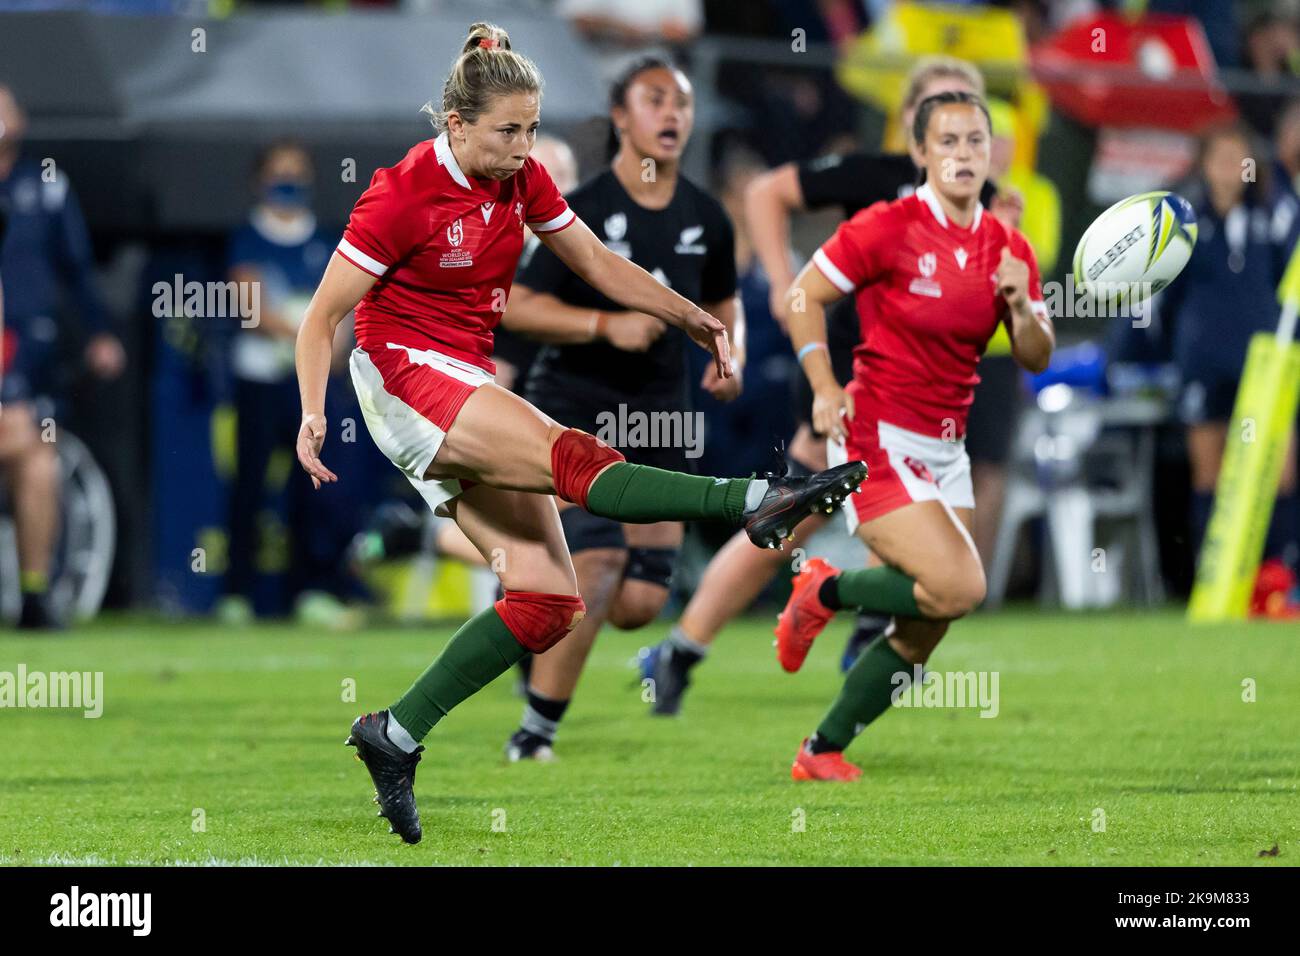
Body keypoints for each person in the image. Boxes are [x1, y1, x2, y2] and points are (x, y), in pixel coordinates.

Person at [295, 22, 865, 843]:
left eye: (531, 128)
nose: (524, 147)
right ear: (456, 125)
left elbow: (596, 262)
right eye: (508, 131)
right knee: (575, 458)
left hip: (458, 373)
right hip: (402, 376)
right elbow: (321, 318)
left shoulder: (518, 178)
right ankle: (755, 498)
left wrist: (688, 316)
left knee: (547, 601)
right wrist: (315, 413)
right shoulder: (401, 191)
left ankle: (396, 733)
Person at [643, 57, 990, 716]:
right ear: (915, 130)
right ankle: (692, 647)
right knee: (791, 522)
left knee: (815, 522)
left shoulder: (988, 204)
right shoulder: (880, 178)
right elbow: (765, 192)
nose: (961, 137)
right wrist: (781, 280)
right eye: (943, 117)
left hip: (933, 401)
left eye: (971, 119)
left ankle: (710, 646)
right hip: (850, 382)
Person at [777, 90, 1054, 782]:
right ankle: (827, 592)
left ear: (991, 153)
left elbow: (1036, 355)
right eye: (949, 142)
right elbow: (803, 295)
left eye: (975, 142)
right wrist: (822, 386)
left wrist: (1021, 303)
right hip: (878, 433)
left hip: (945, 447)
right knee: (959, 587)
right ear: (922, 153)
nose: (963, 155)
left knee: (927, 624)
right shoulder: (889, 226)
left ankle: (822, 748)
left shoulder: (1009, 247)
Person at [494, 56, 743, 761]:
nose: (673, 114)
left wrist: (733, 354)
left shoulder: (707, 215)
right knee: (595, 573)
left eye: (683, 103)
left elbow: (724, 303)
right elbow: (519, 302)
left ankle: (527, 621)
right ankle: (535, 731)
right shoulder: (586, 210)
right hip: (577, 410)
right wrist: (606, 326)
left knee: (637, 605)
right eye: (655, 100)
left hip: (663, 417)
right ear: (622, 118)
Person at [0, 84, 124, 629]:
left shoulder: (45, 185)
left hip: (25, 359)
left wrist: (100, 331)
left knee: (39, 455)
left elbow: (77, 272)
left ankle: (34, 592)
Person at [218, 140, 355, 625]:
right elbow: (251, 306)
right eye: (279, 172)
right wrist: (308, 333)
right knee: (250, 486)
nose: (288, 181)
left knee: (313, 488)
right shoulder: (248, 238)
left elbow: (343, 310)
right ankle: (237, 594)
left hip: (310, 389)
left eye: (297, 172)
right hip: (260, 382)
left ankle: (311, 591)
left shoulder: (325, 239)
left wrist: (327, 346)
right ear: (260, 180)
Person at [1163, 123, 1299, 573]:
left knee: (1276, 468)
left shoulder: (1274, 215)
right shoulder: (1182, 224)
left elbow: (1288, 288)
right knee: (1211, 469)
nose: (1228, 169)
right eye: (1219, 159)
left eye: (1237, 160)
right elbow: (1165, 297)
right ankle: (1215, 575)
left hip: (1264, 365)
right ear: (1203, 165)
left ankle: (1274, 578)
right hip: (1204, 362)